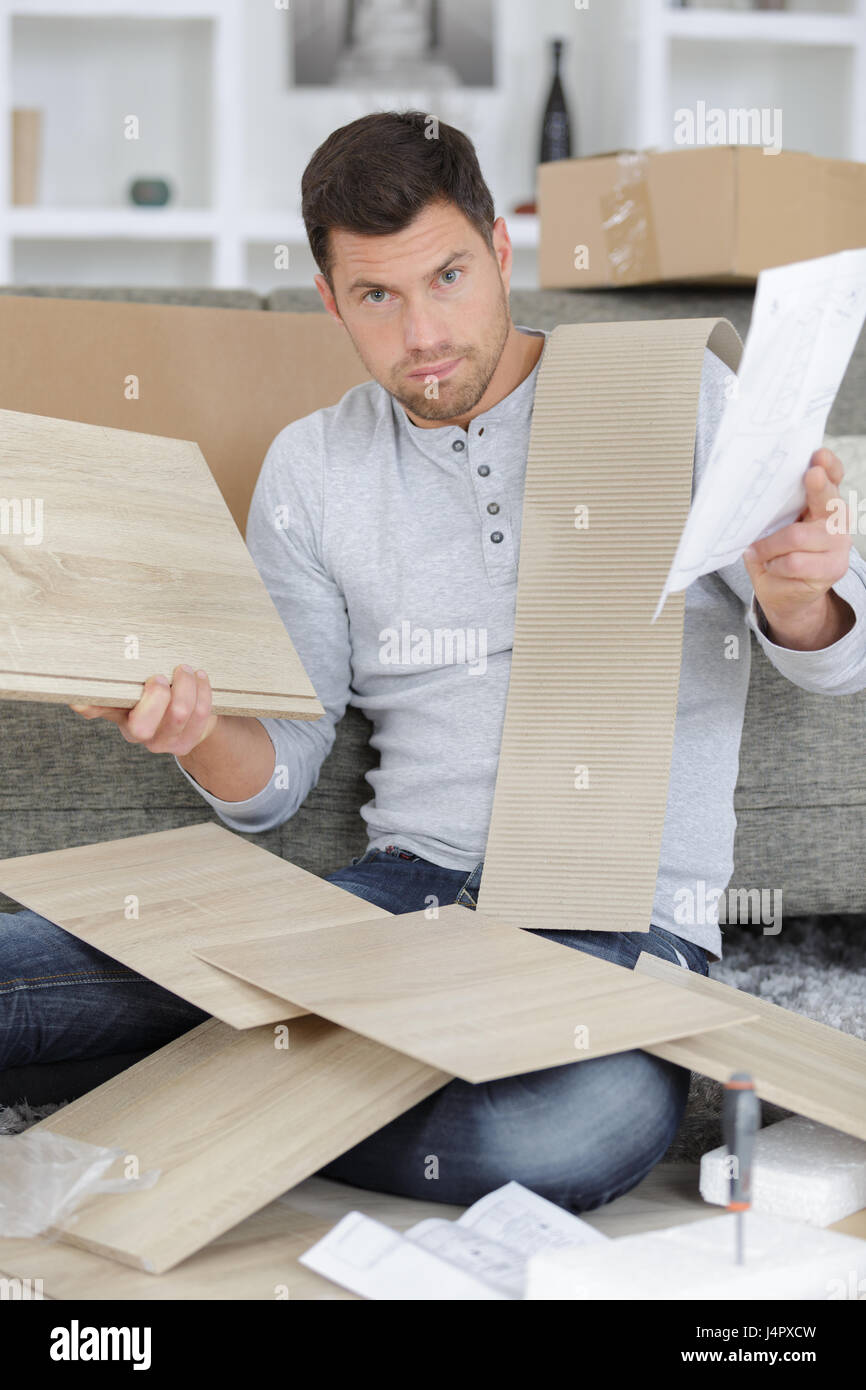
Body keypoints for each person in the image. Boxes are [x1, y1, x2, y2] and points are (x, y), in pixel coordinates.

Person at [3, 112, 864, 1212]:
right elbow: (274, 784)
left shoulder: (675, 396)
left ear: (500, 252)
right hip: (396, 906)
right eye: (377, 297)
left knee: (557, 1132)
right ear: (328, 298)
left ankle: (226, 1062)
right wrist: (196, 735)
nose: (423, 332)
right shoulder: (313, 467)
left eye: (448, 276)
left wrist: (798, 599)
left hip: (619, 924)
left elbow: (839, 663)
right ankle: (290, 1049)